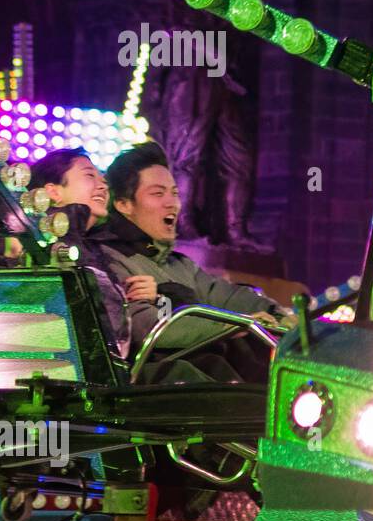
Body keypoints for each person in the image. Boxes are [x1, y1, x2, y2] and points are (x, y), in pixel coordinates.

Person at [88, 142, 296, 381]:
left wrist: (277, 314)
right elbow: (146, 326)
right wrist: (232, 326)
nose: (172, 203)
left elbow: (226, 295)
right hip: (160, 380)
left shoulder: (180, 265)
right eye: (158, 194)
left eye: (175, 193)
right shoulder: (110, 258)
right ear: (124, 204)